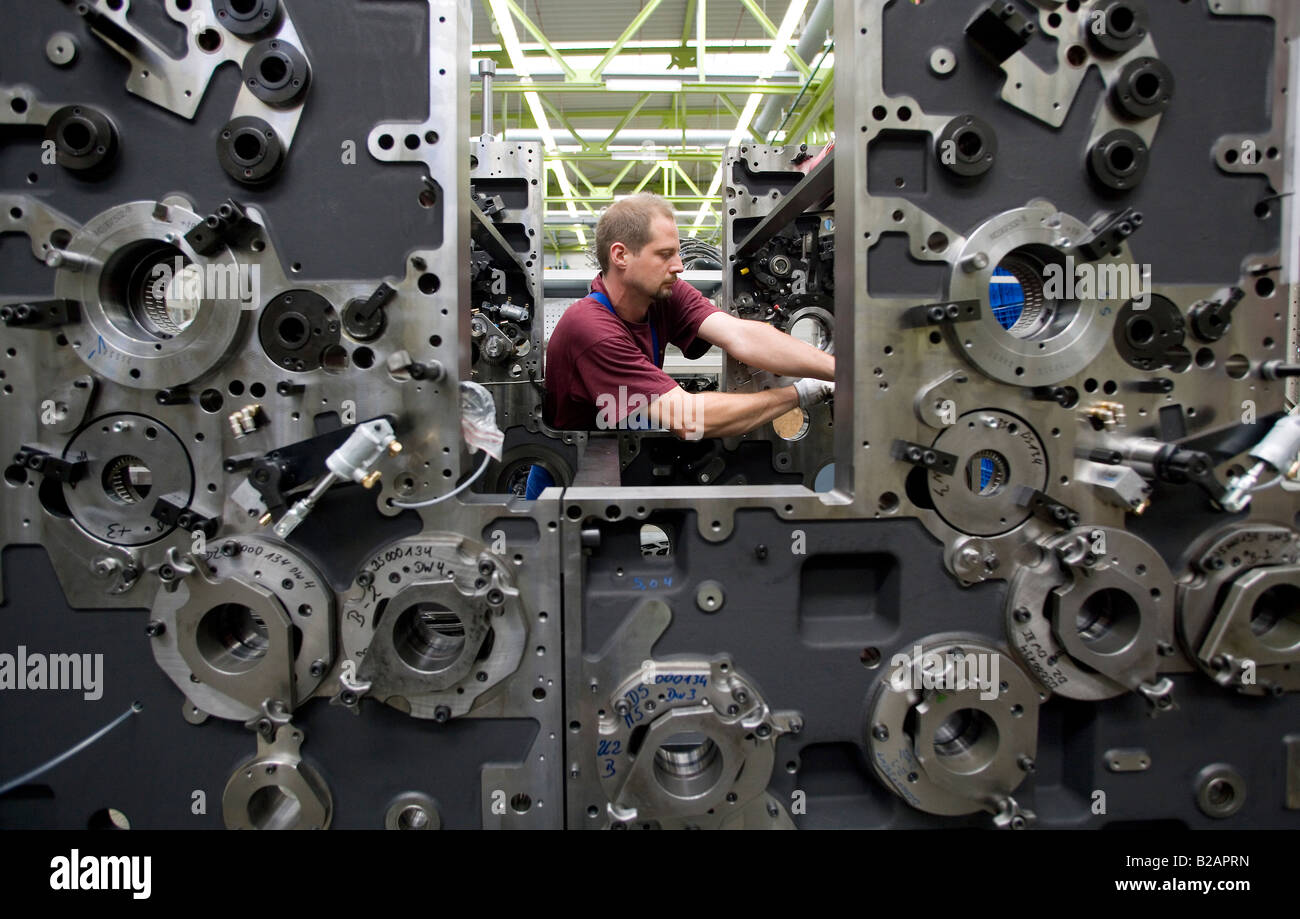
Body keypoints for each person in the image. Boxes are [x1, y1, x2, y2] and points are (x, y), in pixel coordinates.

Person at [526, 193, 834, 498]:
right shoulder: (590, 329)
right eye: (664, 254)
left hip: (618, 460)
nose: (679, 265)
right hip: (569, 484)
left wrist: (839, 370)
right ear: (620, 256)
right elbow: (688, 419)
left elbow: (741, 336)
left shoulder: (661, 294)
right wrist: (803, 392)